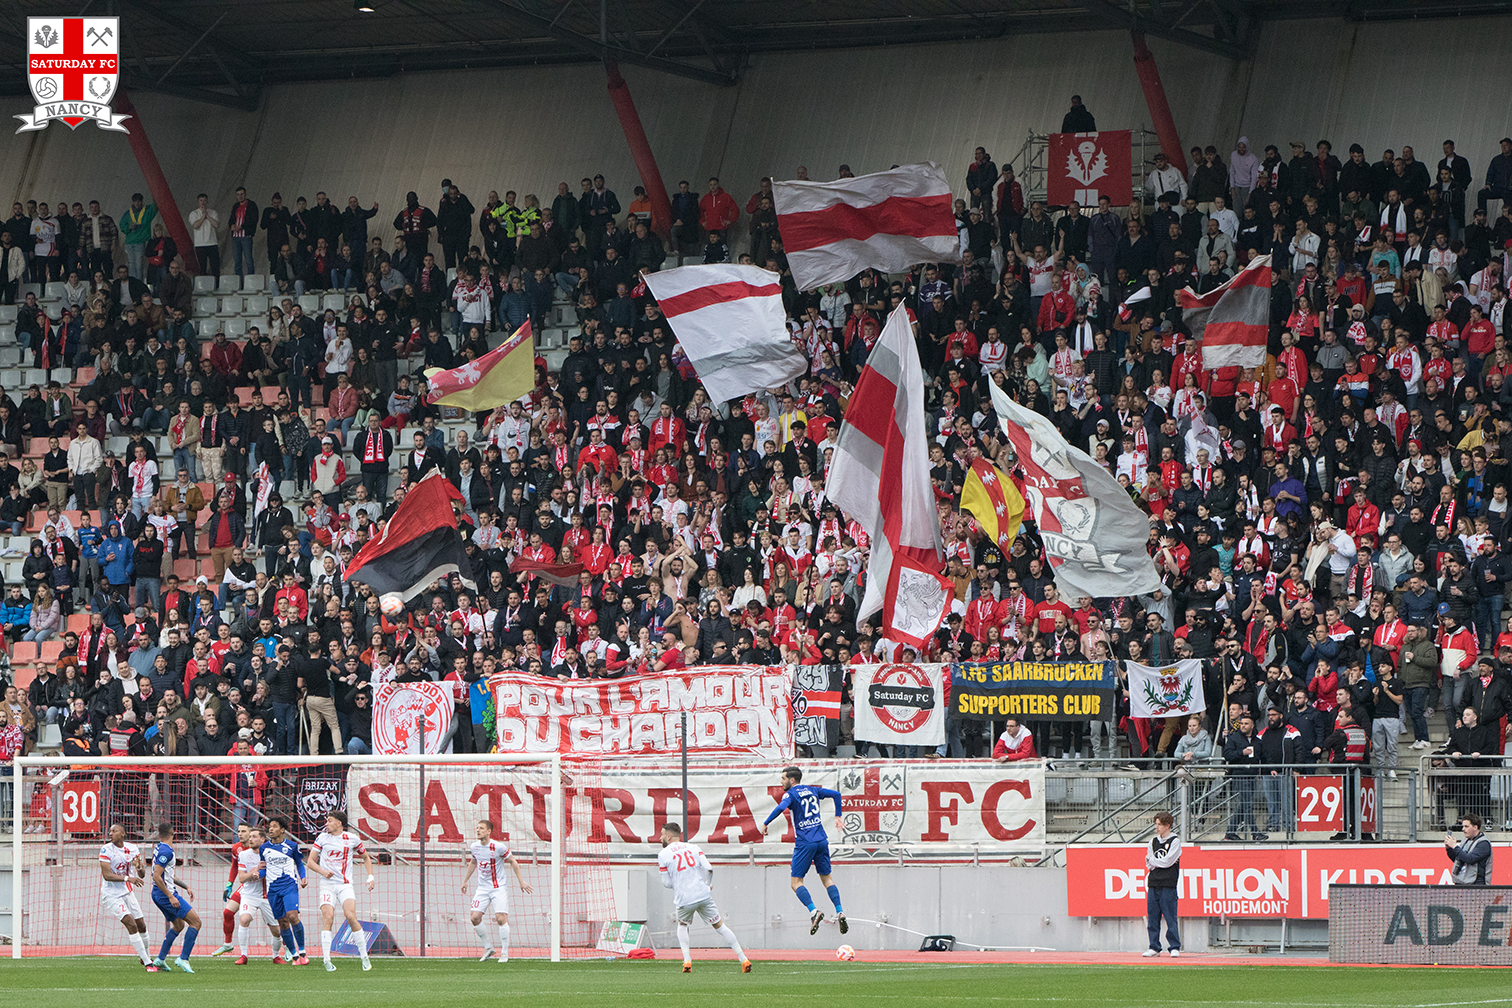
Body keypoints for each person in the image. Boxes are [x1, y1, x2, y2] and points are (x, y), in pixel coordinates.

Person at [760, 764, 847, 935]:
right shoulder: (813, 790)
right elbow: (837, 795)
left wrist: (766, 823)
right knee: (827, 879)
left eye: (783, 778)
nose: (781, 781)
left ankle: (814, 912)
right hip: (821, 840)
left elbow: (781, 807)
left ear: (792, 780)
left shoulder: (790, 794)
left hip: (805, 842)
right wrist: (838, 816)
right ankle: (840, 912)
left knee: (796, 883)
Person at [658, 820, 752, 973]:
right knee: (720, 926)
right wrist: (708, 884)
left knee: (682, 925)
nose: (660, 838)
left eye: (662, 835)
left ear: (668, 836)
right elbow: (708, 868)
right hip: (703, 894)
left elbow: (666, 883)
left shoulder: (663, 854)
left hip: (684, 898)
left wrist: (679, 883)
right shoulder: (694, 848)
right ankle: (743, 959)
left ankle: (687, 961)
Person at [307, 810, 374, 971]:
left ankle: (364, 957)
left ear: (339, 823)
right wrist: (323, 872)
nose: (326, 823)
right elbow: (310, 861)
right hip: (327, 884)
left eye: (329, 820)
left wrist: (370, 877)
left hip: (345, 884)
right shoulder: (322, 838)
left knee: (350, 916)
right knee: (328, 917)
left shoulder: (352, 839)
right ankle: (326, 959)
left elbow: (365, 857)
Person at [461, 818, 533, 963]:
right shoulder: (474, 846)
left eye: (481, 828)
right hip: (482, 888)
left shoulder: (499, 847)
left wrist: (521, 881)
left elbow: (513, 861)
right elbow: (473, 862)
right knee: (474, 917)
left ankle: (504, 953)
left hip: (498, 887)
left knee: (500, 918)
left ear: (489, 831)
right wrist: (465, 880)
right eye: (477, 828)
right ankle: (488, 947)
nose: (478, 830)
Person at [100, 821, 158, 970]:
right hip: (111, 895)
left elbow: (142, 874)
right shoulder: (106, 849)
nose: (111, 834)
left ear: (123, 833)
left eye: (114, 831)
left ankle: (146, 956)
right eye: (110, 831)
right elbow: (107, 875)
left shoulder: (132, 849)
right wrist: (128, 878)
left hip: (127, 892)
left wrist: (139, 868)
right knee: (130, 923)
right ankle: (148, 963)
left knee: (141, 924)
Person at [149, 822, 202, 972]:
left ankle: (160, 959)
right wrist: (171, 896)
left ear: (159, 835)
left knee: (179, 925)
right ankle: (183, 958)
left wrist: (186, 887)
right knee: (196, 922)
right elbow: (156, 876)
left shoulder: (159, 848)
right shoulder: (167, 851)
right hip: (165, 895)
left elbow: (167, 875)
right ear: (173, 834)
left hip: (158, 894)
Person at [259, 814, 309, 965]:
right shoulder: (264, 848)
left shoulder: (292, 846)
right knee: (282, 922)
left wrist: (303, 877)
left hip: (289, 886)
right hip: (273, 889)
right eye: (270, 827)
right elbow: (263, 868)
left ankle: (302, 951)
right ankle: (294, 955)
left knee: (292, 916)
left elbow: (299, 863)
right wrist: (257, 873)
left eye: (274, 827)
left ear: (282, 830)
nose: (271, 829)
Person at [233, 824, 285, 963]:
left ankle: (276, 956)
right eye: (250, 836)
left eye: (254, 837)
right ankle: (243, 955)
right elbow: (242, 878)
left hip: (268, 896)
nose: (250, 839)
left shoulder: (271, 854)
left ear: (262, 839)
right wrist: (253, 872)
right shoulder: (243, 855)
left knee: (277, 931)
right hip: (249, 895)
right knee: (244, 919)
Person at [1143, 811, 1181, 958]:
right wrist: (1154, 861)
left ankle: (1174, 946)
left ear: (1167, 825)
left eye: (1159, 824)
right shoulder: (1152, 842)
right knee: (1153, 917)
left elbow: (1167, 862)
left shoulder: (1175, 841)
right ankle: (1154, 947)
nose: (1157, 827)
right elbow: (1149, 864)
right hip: (1154, 883)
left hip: (1168, 884)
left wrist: (1153, 860)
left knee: (1170, 917)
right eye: (1156, 824)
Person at [1447, 813, 1492, 885]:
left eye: (1466, 826)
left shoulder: (1483, 843)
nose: (1463, 829)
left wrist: (1455, 847)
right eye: (1463, 826)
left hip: (1476, 885)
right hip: (1462, 882)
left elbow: (1470, 859)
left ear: (1475, 827)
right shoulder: (1465, 840)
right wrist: (1449, 848)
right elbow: (1457, 859)